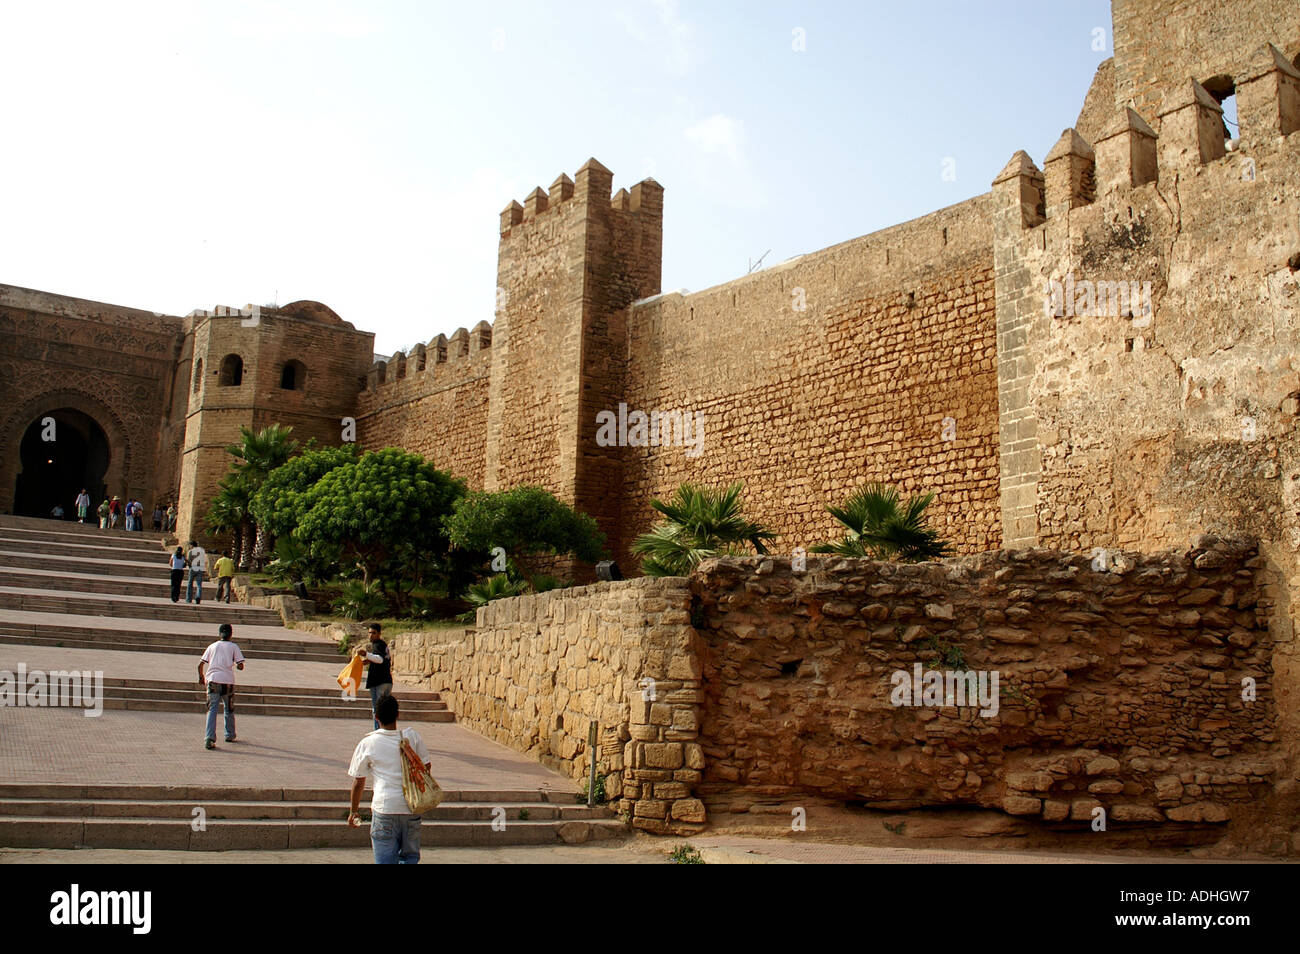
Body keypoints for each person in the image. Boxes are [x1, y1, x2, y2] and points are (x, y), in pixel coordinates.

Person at [347, 694, 431, 864]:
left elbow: (359, 782)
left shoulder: (368, 743)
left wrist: (353, 811)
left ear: (376, 717)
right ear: (397, 714)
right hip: (411, 807)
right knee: (410, 857)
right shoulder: (412, 737)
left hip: (384, 808)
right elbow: (426, 768)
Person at [197, 622, 245, 749]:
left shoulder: (212, 646)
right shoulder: (234, 647)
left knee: (212, 709)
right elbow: (240, 665)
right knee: (228, 708)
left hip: (213, 680)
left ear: (219, 634)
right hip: (227, 681)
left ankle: (209, 738)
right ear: (231, 634)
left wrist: (201, 677)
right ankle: (229, 734)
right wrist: (238, 666)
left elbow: (200, 664)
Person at [354, 622, 392, 730]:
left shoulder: (378, 644)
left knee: (378, 709)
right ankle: (386, 731)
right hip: (386, 681)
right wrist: (370, 660)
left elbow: (380, 659)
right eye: (369, 633)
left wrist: (366, 654)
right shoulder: (382, 645)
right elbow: (383, 660)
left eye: (373, 633)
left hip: (379, 682)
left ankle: (378, 732)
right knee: (385, 709)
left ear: (379, 634)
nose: (371, 635)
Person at [186, 539, 207, 605]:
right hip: (200, 568)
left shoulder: (190, 551)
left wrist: (189, 566)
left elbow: (189, 560)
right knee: (199, 584)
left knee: (190, 583)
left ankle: (189, 599)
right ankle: (198, 596)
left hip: (193, 567)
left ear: (192, 545)